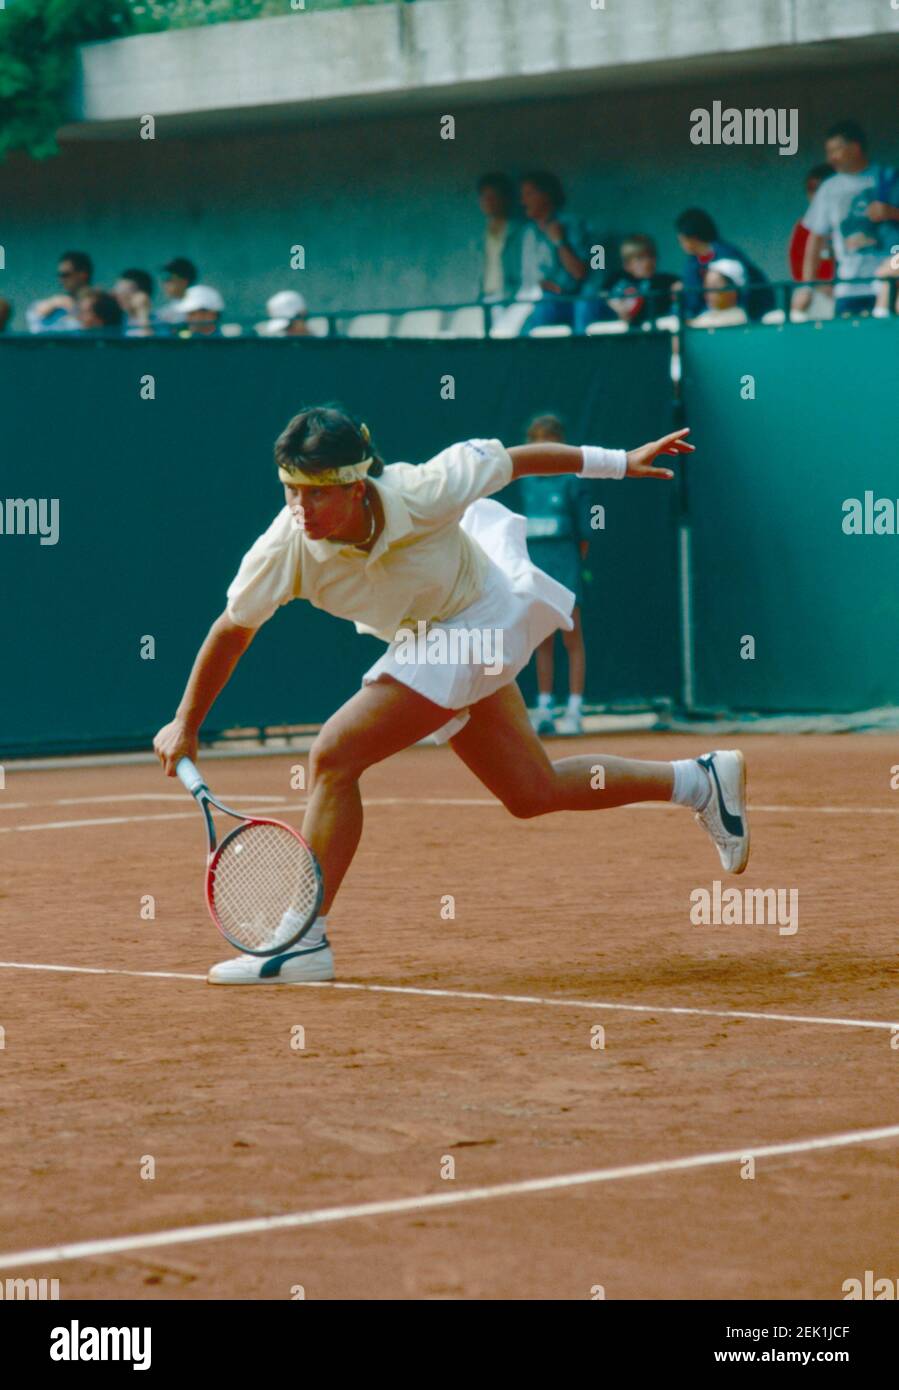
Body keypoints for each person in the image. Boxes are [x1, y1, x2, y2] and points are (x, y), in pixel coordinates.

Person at [153, 405, 749, 986]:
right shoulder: (284, 546)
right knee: (532, 791)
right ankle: (699, 781)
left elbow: (517, 461)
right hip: (428, 636)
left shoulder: (424, 489)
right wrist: (186, 721)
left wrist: (619, 461)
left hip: (483, 615)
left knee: (335, 754)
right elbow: (233, 631)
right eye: (291, 491)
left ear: (357, 486)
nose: (300, 509)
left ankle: (301, 941)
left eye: (317, 494)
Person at [518, 415, 593, 735]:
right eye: (535, 442)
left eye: (547, 443)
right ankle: (544, 708)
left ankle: (575, 709)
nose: (541, 450)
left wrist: (571, 567)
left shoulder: (573, 481)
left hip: (566, 569)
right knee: (542, 640)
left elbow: (585, 536)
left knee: (571, 638)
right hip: (536, 571)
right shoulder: (525, 482)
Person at [792, 121, 899, 317]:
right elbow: (815, 239)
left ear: (855, 148)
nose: (831, 158)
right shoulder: (829, 188)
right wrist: (807, 286)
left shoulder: (889, 178)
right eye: (829, 152)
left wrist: (891, 212)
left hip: (889, 281)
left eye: (836, 150)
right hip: (848, 286)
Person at [518, 172, 591, 332]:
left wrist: (559, 242)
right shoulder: (528, 231)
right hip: (531, 299)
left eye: (529, 194)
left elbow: (579, 273)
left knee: (545, 307)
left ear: (546, 195)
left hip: (564, 299)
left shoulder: (571, 224)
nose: (523, 201)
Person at [675, 209, 774, 321]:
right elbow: (692, 301)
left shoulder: (727, 254)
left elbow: (746, 293)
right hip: (707, 316)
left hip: (743, 315)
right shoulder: (692, 263)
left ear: (693, 237)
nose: (682, 244)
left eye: (682, 240)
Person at [576, 234, 679, 333]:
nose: (647, 262)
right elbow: (603, 294)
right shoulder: (617, 277)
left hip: (647, 323)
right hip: (615, 319)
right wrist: (618, 307)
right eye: (640, 259)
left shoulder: (664, 281)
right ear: (627, 264)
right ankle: (581, 340)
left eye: (651, 256)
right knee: (585, 301)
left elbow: (677, 289)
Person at [475, 172, 523, 305]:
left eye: (493, 197)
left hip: (511, 298)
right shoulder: (480, 235)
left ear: (505, 199)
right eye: (484, 197)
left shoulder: (519, 232)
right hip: (484, 297)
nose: (488, 202)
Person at [26, 250, 93, 333]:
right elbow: (34, 318)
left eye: (65, 275)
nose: (61, 280)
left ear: (83, 274)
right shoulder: (60, 303)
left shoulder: (97, 302)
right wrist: (55, 302)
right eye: (59, 275)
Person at [687, 260, 750, 327]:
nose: (707, 293)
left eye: (714, 286)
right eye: (706, 286)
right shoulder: (708, 315)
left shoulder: (737, 318)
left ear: (733, 290)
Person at [157, 256, 198, 326]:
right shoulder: (164, 311)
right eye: (163, 279)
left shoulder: (199, 309)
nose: (164, 284)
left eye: (168, 279)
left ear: (184, 281)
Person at [113, 268, 155, 336]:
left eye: (124, 292)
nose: (119, 297)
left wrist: (142, 312)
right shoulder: (117, 321)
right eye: (118, 291)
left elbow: (148, 340)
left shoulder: (159, 322)